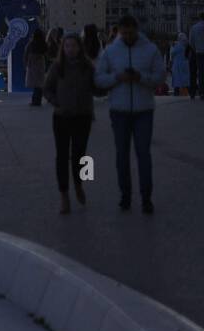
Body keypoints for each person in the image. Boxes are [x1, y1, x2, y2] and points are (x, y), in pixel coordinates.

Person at [94, 15, 165, 213]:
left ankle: (146, 198)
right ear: (119, 32)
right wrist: (118, 77)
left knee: (143, 155)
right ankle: (125, 195)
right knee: (122, 155)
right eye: (123, 33)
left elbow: (160, 77)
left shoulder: (150, 49)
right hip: (119, 110)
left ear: (136, 30)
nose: (126, 36)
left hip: (144, 110)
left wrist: (141, 78)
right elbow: (99, 79)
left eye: (130, 33)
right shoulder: (111, 51)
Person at [44, 33, 96, 214]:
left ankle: (80, 184)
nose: (70, 49)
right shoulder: (57, 67)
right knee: (62, 156)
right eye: (67, 46)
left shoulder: (88, 67)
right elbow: (47, 88)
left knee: (82, 156)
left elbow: (97, 88)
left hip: (83, 117)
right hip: (61, 117)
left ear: (80, 48)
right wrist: (56, 101)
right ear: (63, 48)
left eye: (74, 46)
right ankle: (64, 195)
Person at [24, 25, 47, 106]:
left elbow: (26, 54)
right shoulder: (43, 44)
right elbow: (46, 53)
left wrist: (26, 64)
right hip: (40, 64)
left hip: (32, 64)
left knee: (35, 84)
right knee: (40, 83)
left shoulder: (31, 44)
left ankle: (35, 101)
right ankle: (38, 100)